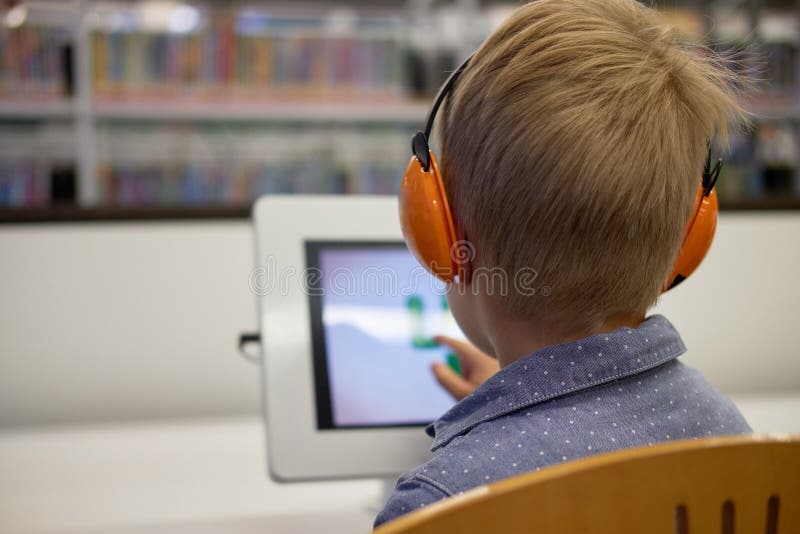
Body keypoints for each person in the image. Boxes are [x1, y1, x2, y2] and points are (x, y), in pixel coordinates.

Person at [374, 0, 751, 527]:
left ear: (444, 234)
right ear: (687, 237)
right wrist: (520, 389)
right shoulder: (728, 435)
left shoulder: (443, 504)